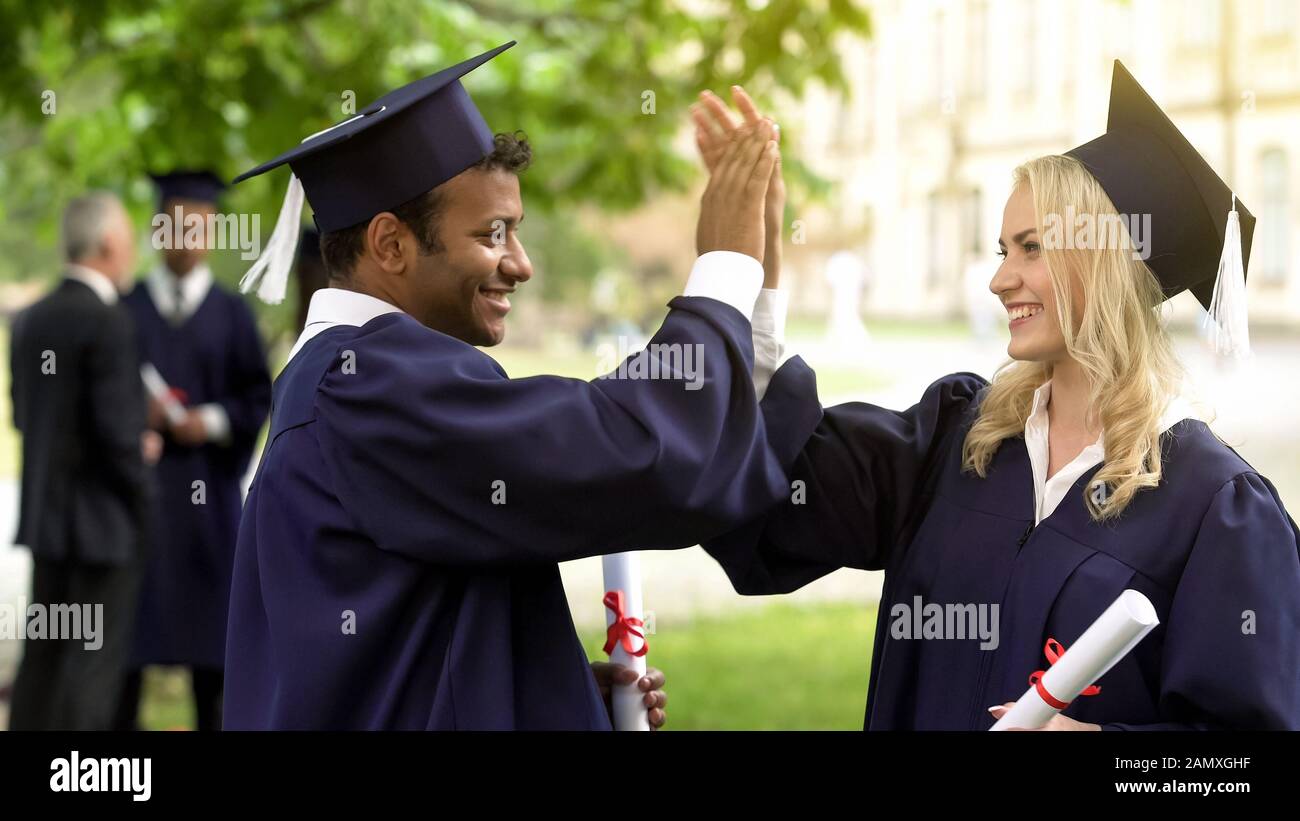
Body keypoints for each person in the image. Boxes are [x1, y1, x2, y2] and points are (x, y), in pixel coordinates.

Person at [222, 41, 817, 729]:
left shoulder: (347, 379)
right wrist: (725, 267)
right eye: (493, 233)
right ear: (390, 245)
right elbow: (638, 454)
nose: (522, 264)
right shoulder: (368, 386)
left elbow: (395, 645)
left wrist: (544, 689)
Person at [700, 62, 1300, 730]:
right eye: (999, 250)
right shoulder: (957, 438)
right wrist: (756, 270)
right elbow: (763, 489)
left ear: (1104, 264)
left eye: (1029, 249)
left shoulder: (1216, 510)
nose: (997, 280)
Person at [115, 171, 272, 731]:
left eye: (199, 225)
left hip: (210, 515)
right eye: (175, 224)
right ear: (158, 231)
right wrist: (139, 419)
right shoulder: (124, 309)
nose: (187, 236)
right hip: (140, 510)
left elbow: (258, 398)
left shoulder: (233, 315)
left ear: (212, 232)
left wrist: (207, 421)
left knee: (218, 665)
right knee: (124, 661)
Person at [8, 192, 154, 730]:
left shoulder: (29, 321)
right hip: (105, 529)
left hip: (48, 526)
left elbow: (25, 418)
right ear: (109, 244)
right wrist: (144, 482)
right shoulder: (109, 322)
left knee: (41, 664)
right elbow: (117, 436)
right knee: (91, 674)